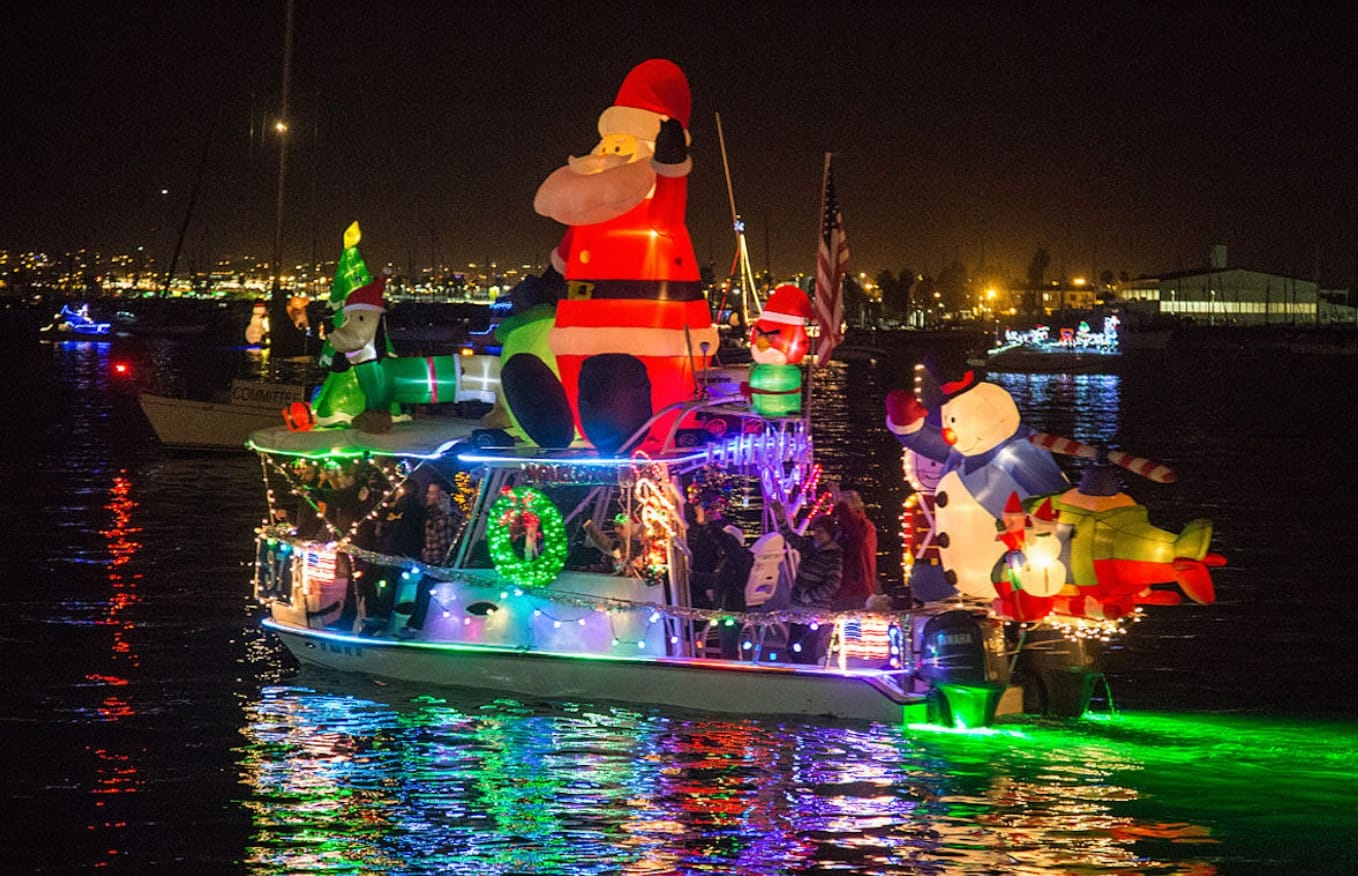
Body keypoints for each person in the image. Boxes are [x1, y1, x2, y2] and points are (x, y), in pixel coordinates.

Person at [685, 500, 752, 659]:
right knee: (727, 647)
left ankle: (733, 674)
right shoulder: (729, 561)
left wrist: (709, 524)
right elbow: (717, 580)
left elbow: (718, 579)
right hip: (725, 607)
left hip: (732, 609)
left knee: (729, 647)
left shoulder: (739, 559)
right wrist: (693, 576)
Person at [776, 509, 843, 665]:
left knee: (808, 648)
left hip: (816, 610)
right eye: (815, 531)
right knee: (792, 647)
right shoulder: (809, 547)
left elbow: (833, 584)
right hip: (797, 607)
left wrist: (810, 596)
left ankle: (809, 675)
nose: (817, 535)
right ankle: (796, 674)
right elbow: (791, 537)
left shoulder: (834, 555)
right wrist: (781, 518)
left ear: (830, 534)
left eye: (821, 532)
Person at [361, 480, 427, 634]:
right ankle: (377, 615)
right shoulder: (408, 510)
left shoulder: (406, 507)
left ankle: (380, 615)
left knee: (386, 582)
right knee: (382, 581)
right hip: (394, 553)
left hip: (398, 554)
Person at [400, 482, 460, 637]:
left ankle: (415, 627)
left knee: (424, 589)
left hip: (440, 565)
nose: (428, 496)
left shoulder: (446, 518)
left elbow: (445, 544)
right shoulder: (430, 515)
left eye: (432, 493)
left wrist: (436, 560)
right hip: (430, 562)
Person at [833, 489, 880, 610]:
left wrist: (840, 505)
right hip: (841, 589)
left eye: (844, 505)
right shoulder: (841, 529)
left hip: (856, 589)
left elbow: (857, 539)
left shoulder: (864, 525)